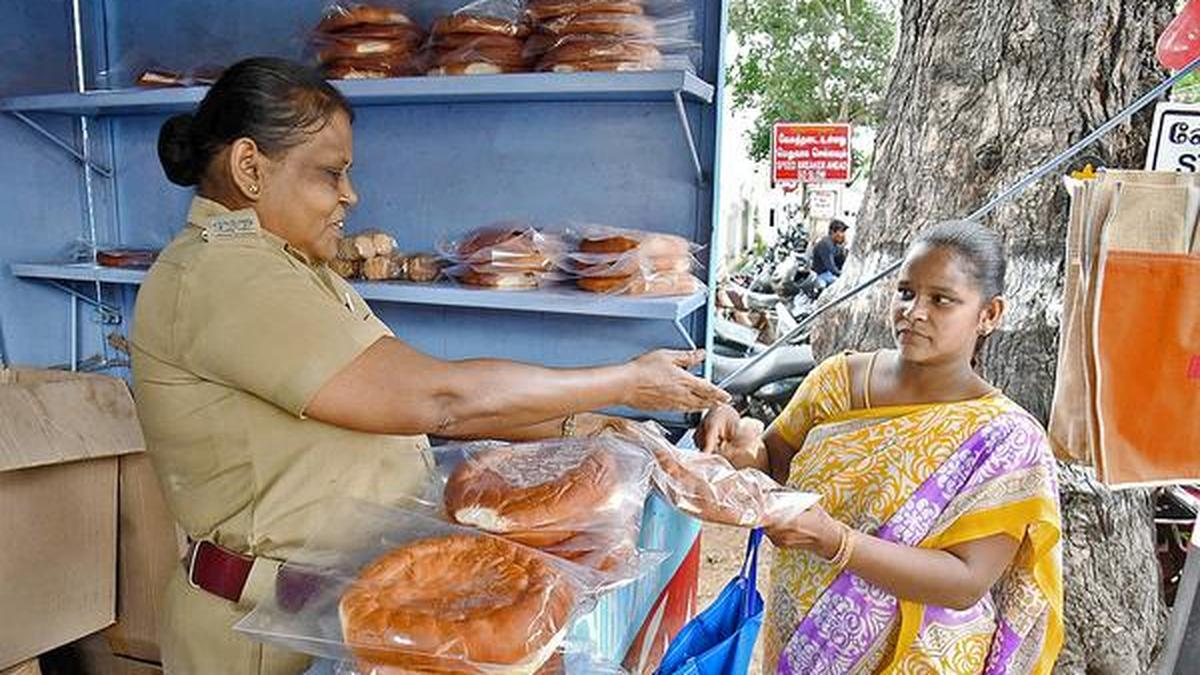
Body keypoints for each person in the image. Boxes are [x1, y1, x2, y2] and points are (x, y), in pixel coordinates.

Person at [130, 57, 728, 675]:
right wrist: (627, 379)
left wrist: (597, 427)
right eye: (330, 174)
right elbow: (440, 400)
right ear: (250, 167)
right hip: (263, 636)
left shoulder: (290, 269)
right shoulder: (227, 276)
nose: (349, 195)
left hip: (335, 612)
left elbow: (421, 413)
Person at [698, 220, 1063, 674]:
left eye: (941, 299)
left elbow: (966, 580)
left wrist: (836, 542)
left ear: (989, 314)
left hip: (914, 657)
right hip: (800, 638)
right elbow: (772, 465)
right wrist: (737, 435)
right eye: (906, 292)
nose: (913, 311)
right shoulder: (839, 381)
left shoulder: (1006, 437)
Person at [811, 219, 849, 286]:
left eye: (844, 232)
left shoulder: (835, 245)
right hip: (821, 275)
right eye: (841, 232)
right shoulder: (826, 244)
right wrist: (844, 275)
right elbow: (831, 267)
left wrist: (843, 247)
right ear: (832, 232)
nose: (843, 235)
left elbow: (841, 261)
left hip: (828, 273)